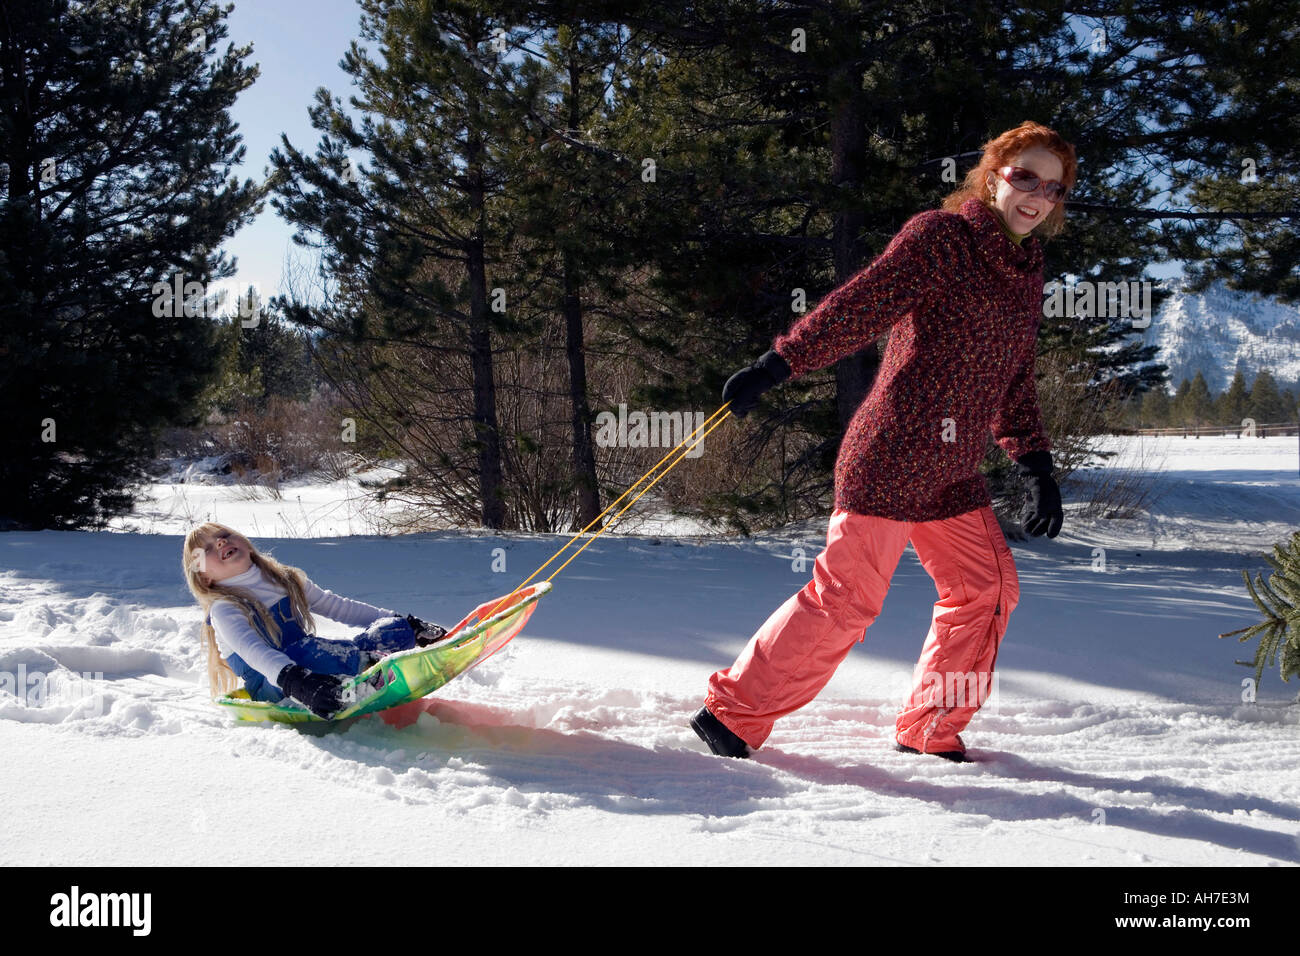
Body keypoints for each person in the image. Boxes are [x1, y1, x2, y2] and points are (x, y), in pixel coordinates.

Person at [692, 120, 1074, 762]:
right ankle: (733, 714)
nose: (1037, 195)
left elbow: (1015, 376)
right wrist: (780, 363)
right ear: (992, 175)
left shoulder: (1026, 268)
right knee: (846, 601)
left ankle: (932, 727)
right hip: (892, 453)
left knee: (987, 588)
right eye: (1025, 176)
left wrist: (1035, 463)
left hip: (951, 472)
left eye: (1055, 188)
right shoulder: (942, 237)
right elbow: (864, 304)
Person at [182, 522, 449, 718]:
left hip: (316, 662)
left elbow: (338, 607)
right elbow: (255, 653)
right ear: (204, 577)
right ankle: (371, 667)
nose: (219, 542)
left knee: (385, 633)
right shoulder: (224, 608)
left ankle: (387, 649)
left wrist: (399, 620)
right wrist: (298, 683)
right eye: (206, 548)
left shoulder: (283, 579)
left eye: (224, 535)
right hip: (277, 683)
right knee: (303, 650)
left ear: (245, 542)